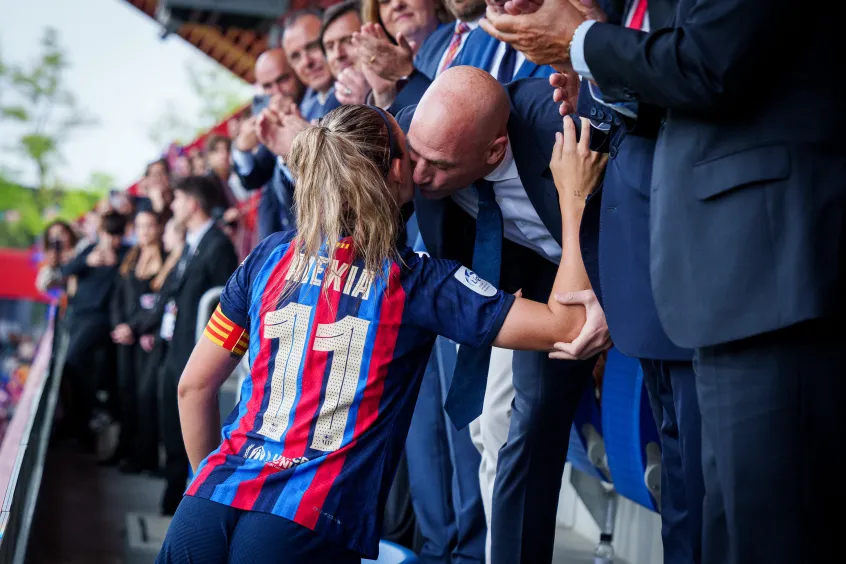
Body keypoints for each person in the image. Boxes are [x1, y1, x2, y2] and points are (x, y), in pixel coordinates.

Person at [155, 103, 604, 563]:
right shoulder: (417, 282)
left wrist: (210, 484)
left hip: (207, 505)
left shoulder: (266, 258)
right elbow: (566, 326)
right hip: (308, 520)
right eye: (410, 151)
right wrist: (574, 203)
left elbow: (193, 388)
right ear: (394, 171)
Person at [483, 0, 845, 562]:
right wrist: (602, 85)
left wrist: (582, 40)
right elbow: (677, 94)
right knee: (718, 522)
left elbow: (710, 64)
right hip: (700, 279)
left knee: (765, 527)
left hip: (766, 269)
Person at [396, 67, 604, 563]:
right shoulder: (417, 136)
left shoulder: (558, 125)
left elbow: (635, 213)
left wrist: (611, 300)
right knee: (517, 434)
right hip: (534, 282)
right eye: (415, 156)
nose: (420, 175)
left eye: (439, 165)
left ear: (494, 151)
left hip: (609, 266)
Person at [146, 176, 240, 515]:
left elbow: (226, 304)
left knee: (189, 430)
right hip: (176, 350)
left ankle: (191, 502)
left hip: (196, 355)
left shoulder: (218, 245)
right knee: (170, 424)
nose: (172, 206)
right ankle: (174, 496)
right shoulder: (190, 244)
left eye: (177, 199)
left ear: (193, 204)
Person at [43, 212, 130, 449]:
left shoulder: (125, 255)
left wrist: (115, 263)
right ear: (101, 233)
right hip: (76, 317)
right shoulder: (89, 249)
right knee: (76, 372)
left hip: (100, 319)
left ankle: (83, 423)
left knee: (74, 362)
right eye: (109, 234)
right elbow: (62, 273)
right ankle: (79, 427)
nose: (112, 240)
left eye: (117, 235)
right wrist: (87, 260)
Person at [108, 210, 165, 473]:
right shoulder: (131, 258)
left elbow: (158, 304)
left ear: (158, 228)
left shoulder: (165, 260)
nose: (144, 231)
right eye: (140, 226)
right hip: (124, 338)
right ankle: (123, 450)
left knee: (144, 399)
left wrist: (132, 327)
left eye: (149, 226)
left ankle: (143, 457)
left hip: (145, 338)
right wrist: (119, 326)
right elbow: (117, 297)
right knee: (124, 393)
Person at [232, 48, 305, 239]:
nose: (277, 92)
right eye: (268, 87)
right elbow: (254, 177)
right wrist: (242, 148)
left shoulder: (313, 107)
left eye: (283, 80)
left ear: (295, 71)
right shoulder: (271, 119)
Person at [282, 9, 340, 122]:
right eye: (296, 56)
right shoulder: (303, 114)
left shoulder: (368, 93)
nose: (307, 62)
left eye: (313, 47)